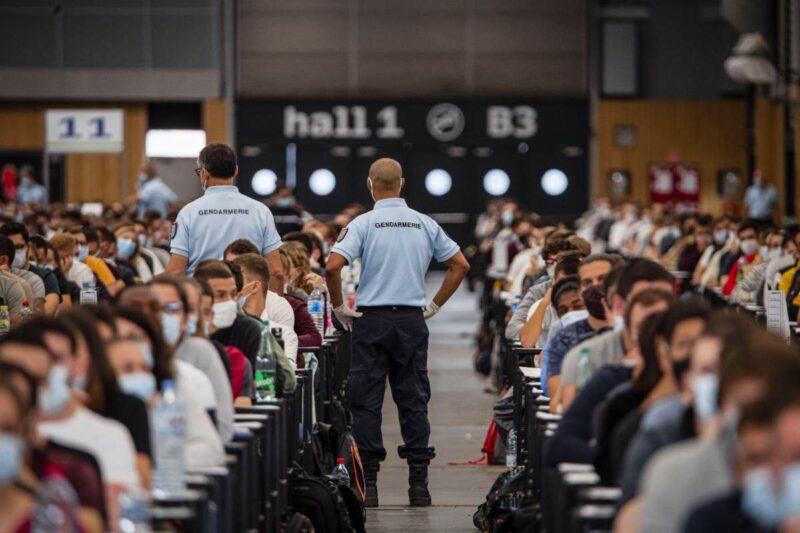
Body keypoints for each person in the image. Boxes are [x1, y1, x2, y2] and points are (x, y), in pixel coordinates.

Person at [326, 157, 470, 508]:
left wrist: (338, 306)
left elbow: (332, 266)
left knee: (366, 402)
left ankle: (370, 485)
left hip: (371, 321)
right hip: (410, 320)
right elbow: (460, 264)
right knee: (413, 399)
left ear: (369, 184)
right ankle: (418, 485)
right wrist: (434, 305)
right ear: (401, 183)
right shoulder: (424, 224)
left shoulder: (362, 223)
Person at [167, 144, 285, 293]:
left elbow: (176, 272)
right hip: (251, 301)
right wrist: (273, 310)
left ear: (204, 172)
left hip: (204, 302)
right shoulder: (260, 211)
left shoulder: (188, 213)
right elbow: (277, 272)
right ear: (235, 170)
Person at [148, 275, 234, 443]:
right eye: (155, 308)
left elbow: (222, 426)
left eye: (172, 309)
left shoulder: (201, 351)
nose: (163, 316)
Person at [0, 221, 60, 315]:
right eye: (10, 247)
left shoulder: (40, 278)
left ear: (28, 247)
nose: (14, 252)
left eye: (19, 247)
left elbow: (38, 317)